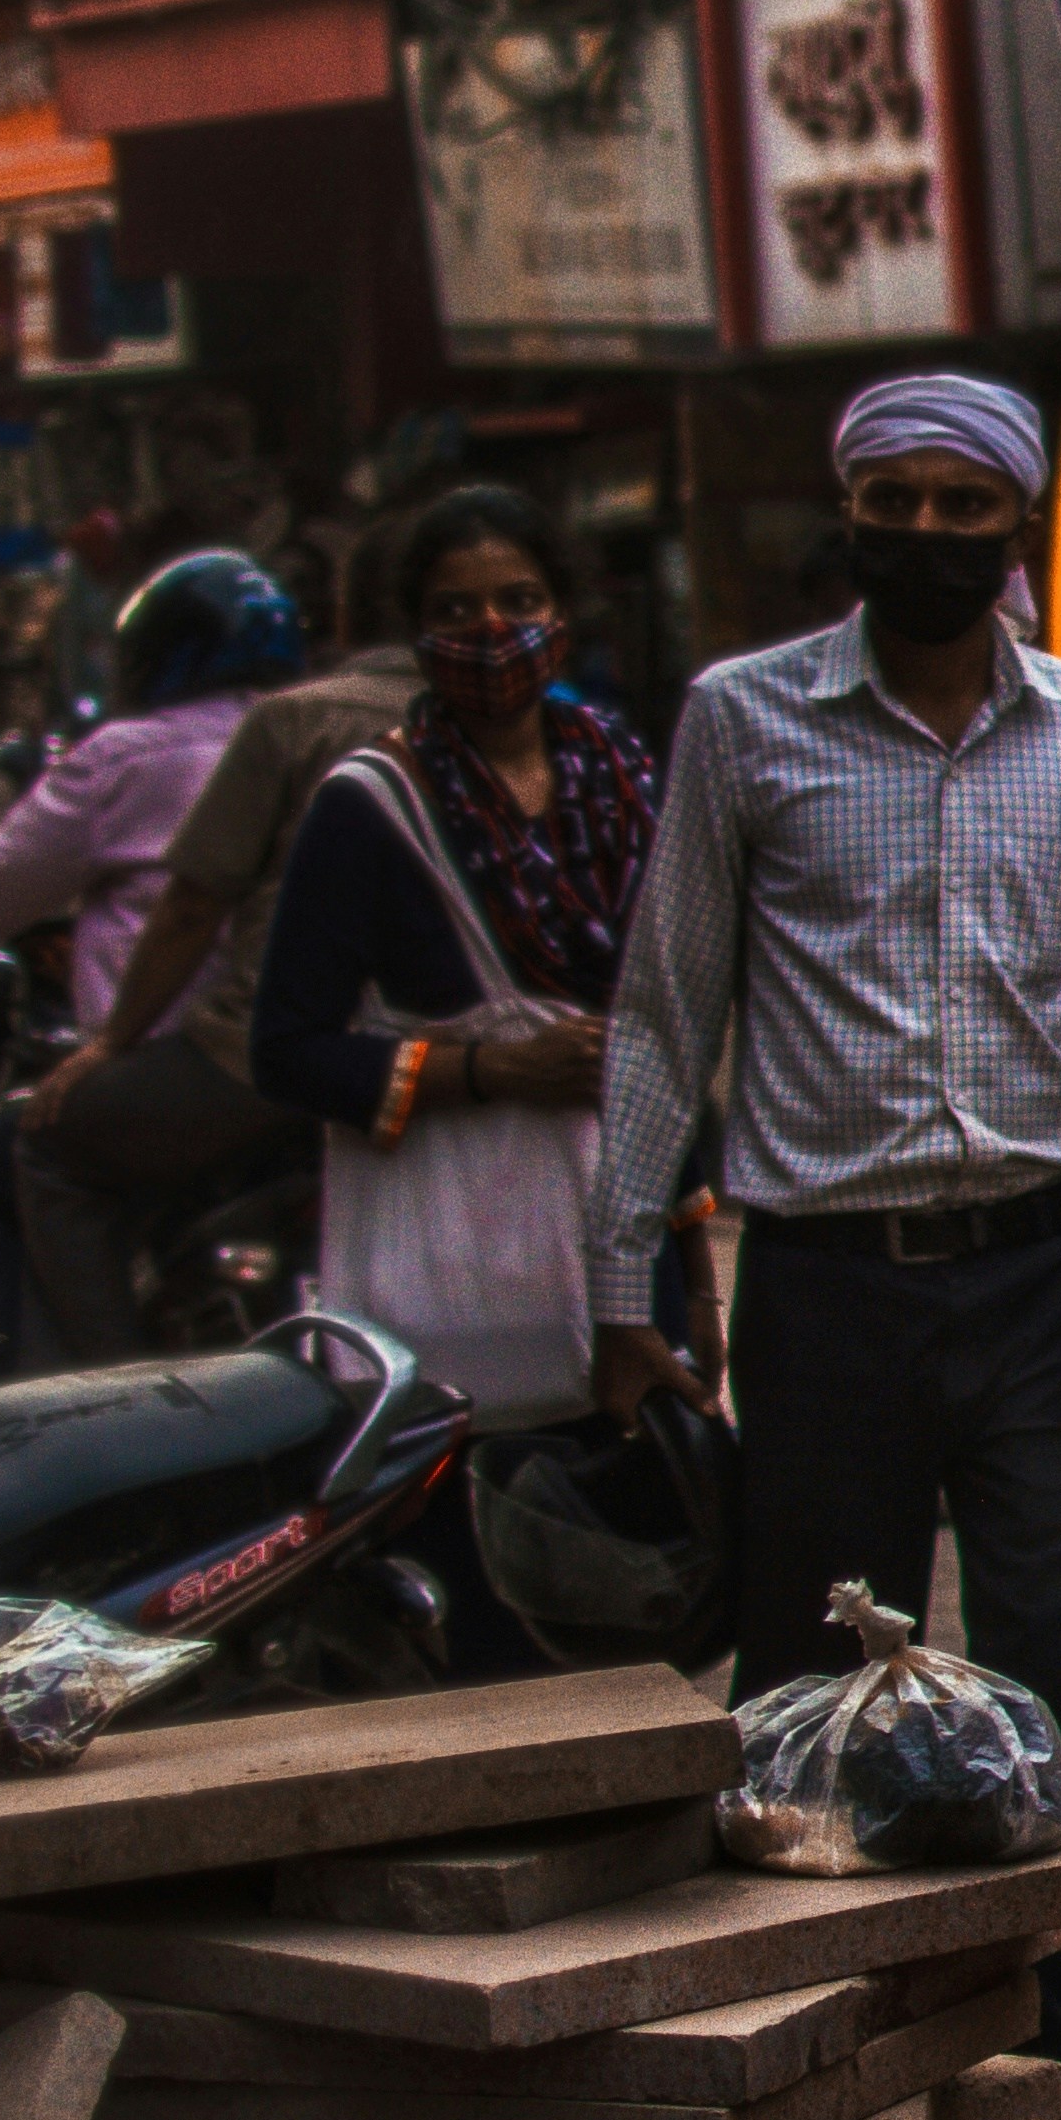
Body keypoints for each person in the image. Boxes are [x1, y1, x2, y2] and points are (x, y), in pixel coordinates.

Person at [588, 368, 1061, 2085]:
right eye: (897, 503)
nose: (927, 533)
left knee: (1037, 1668)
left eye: (963, 507)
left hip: (1037, 1278)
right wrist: (621, 1267)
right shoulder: (742, 718)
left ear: (1014, 529)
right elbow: (664, 1009)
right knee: (798, 1677)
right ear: (850, 516)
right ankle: (805, 2044)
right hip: (825, 1289)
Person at [246, 487, 681, 1666]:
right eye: (458, 609)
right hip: (455, 1281)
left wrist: (684, 1242)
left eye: (519, 601)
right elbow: (286, 1048)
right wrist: (489, 1070)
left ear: (565, 612)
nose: (495, 633)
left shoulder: (625, 776)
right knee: (477, 1595)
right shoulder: (369, 809)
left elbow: (672, 1019)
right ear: (413, 631)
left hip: (622, 1254)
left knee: (626, 1575)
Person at [0, 550, 306, 1382]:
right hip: (324, 1057)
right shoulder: (312, 734)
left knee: (6, 1166)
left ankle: (70, 1400)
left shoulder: (130, 756)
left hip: (194, 1063)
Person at [18, 542, 425, 1363]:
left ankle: (113, 1394)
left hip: (271, 1061)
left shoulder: (293, 720)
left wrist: (108, 1046)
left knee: (46, 1143)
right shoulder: (539, 731)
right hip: (455, 1057)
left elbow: (192, 907)